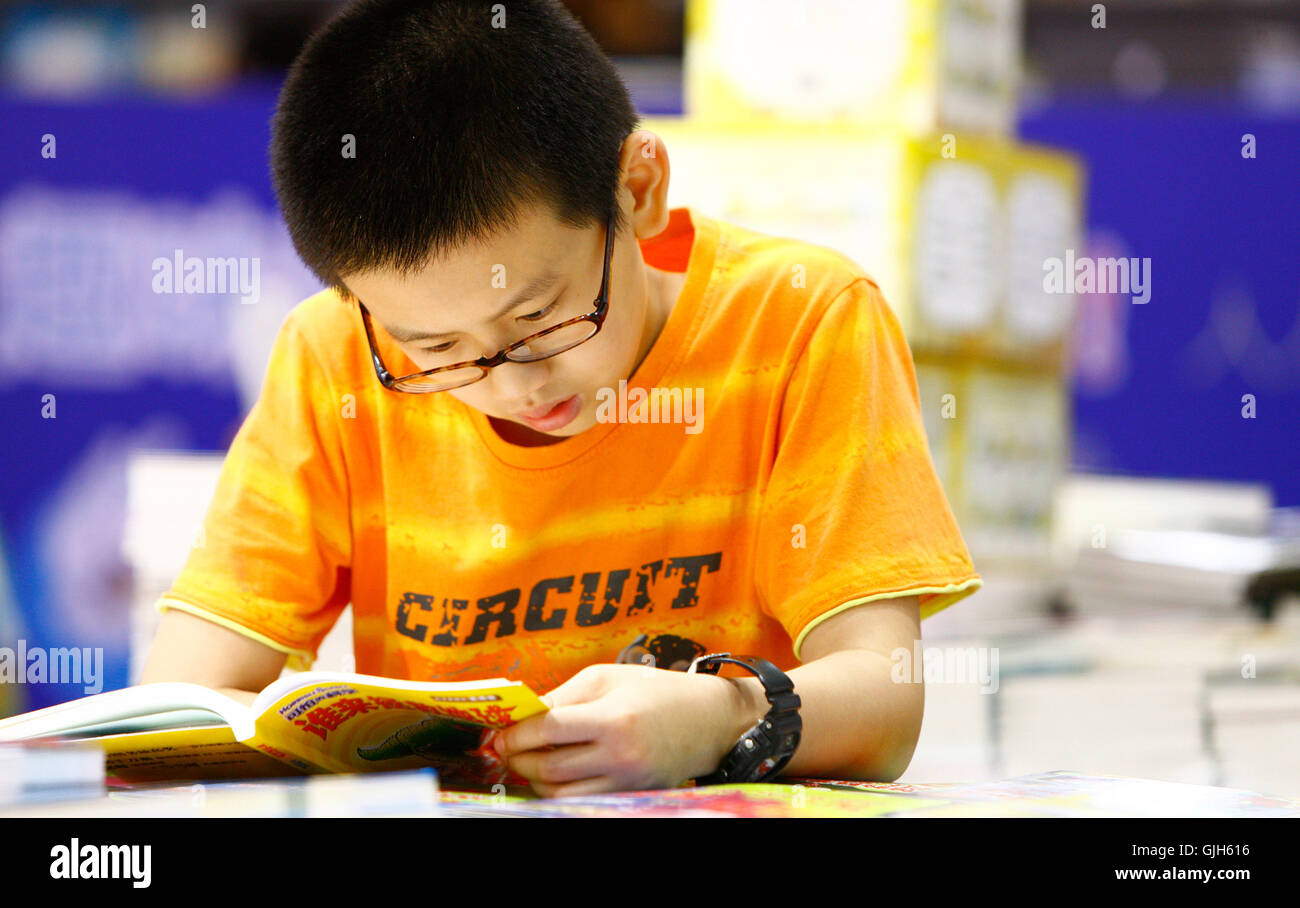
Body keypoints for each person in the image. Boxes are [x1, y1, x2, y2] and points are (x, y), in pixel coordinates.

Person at [139, 0, 981, 797]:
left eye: (540, 318)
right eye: (435, 351)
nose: (511, 383)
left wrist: (719, 717)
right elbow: (182, 689)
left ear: (638, 189)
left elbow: (886, 697)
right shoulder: (333, 357)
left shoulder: (802, 318)